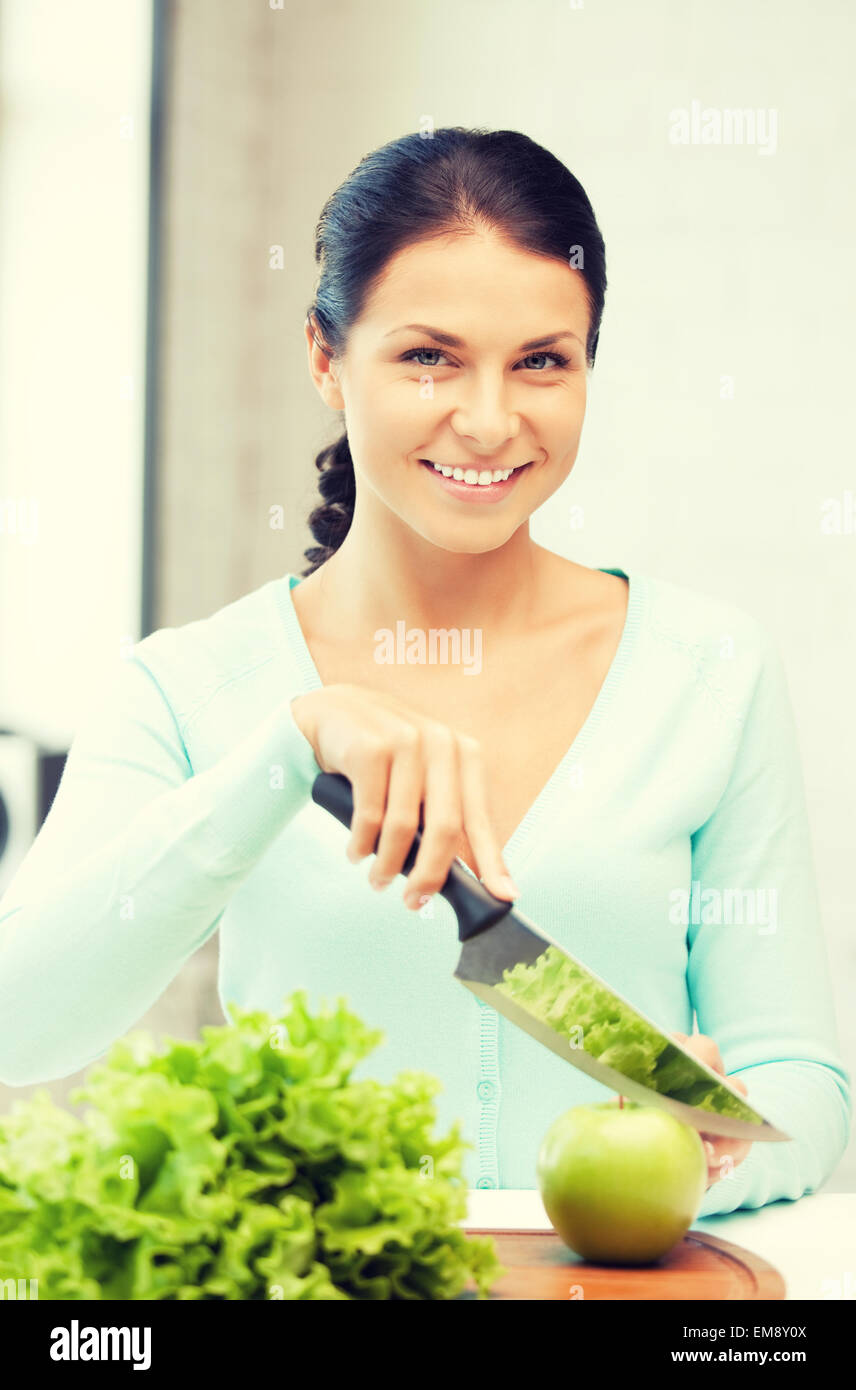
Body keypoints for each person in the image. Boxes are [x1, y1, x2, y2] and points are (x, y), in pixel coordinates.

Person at [0, 128, 849, 1215]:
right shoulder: (186, 689)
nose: (489, 421)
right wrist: (285, 754)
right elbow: (23, 1027)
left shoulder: (711, 670)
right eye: (428, 357)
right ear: (323, 356)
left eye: (542, 359)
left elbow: (799, 1082)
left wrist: (716, 1152)